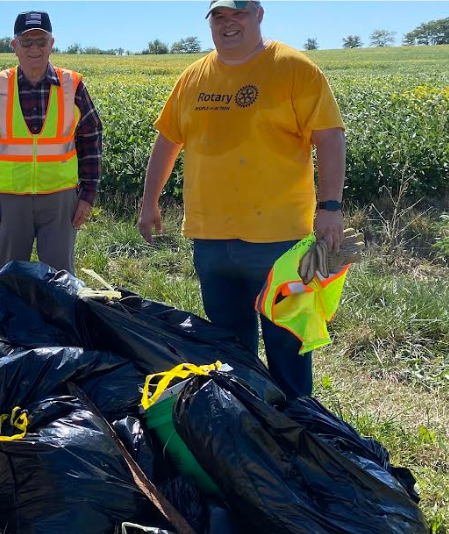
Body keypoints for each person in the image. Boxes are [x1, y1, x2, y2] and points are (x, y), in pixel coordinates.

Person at [137, 0, 347, 400]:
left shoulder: (294, 68)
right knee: (229, 346)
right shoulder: (193, 77)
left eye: (239, 14)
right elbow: (167, 141)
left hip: (279, 240)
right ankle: (248, 417)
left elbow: (330, 136)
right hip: (210, 237)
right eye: (220, 16)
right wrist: (150, 202)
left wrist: (330, 207)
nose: (228, 24)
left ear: (259, 15)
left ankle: (296, 420)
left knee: (287, 344)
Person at [0, 11, 103, 275]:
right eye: (26, 42)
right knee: (9, 279)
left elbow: (91, 141)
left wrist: (86, 196)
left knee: (60, 282)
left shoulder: (72, 85)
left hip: (61, 200)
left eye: (41, 41)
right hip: (8, 201)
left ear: (52, 44)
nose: (34, 48)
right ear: (14, 46)